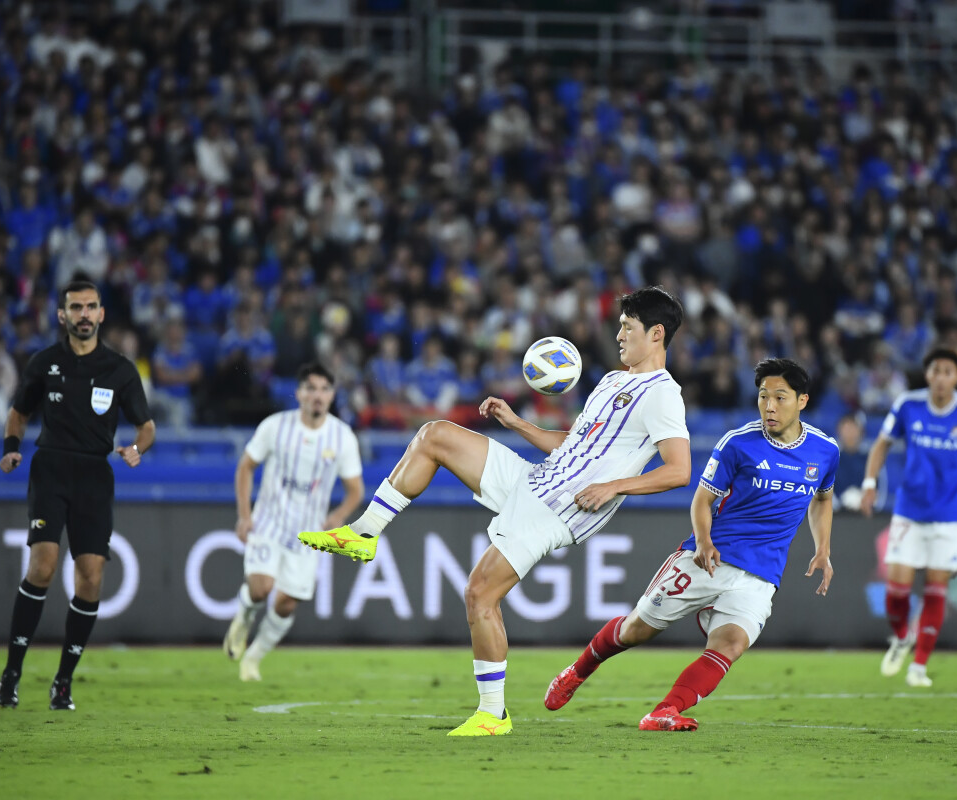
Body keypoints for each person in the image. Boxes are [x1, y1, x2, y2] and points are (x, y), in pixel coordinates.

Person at [299, 286, 691, 736]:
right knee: (435, 436)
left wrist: (612, 487)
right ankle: (365, 533)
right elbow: (576, 445)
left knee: (479, 593)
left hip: (559, 507)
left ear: (656, 334)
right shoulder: (613, 381)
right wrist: (518, 424)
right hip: (537, 478)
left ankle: (492, 715)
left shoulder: (663, 394)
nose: (619, 334)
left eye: (628, 327)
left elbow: (679, 470)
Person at [544, 358, 838, 731]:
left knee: (730, 645)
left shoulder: (825, 451)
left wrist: (823, 549)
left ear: (803, 401)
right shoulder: (738, 444)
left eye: (780, 398)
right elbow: (702, 500)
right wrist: (703, 541)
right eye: (763, 396)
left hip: (762, 572)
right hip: (709, 558)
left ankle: (664, 711)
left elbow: (823, 499)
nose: (769, 406)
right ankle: (577, 670)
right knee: (637, 629)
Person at [0, 279, 156, 711]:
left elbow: (147, 426)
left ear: (102, 314)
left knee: (91, 578)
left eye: (90, 307)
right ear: (62, 315)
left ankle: (62, 682)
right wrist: (12, 449)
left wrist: (136, 450)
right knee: (43, 567)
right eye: (75, 307)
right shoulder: (44, 362)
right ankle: (11, 674)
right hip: (50, 469)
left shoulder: (120, 369)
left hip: (94, 476)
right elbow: (18, 411)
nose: (83, 314)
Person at [860, 347, 957, 687]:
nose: (941, 377)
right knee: (896, 592)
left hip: (950, 517)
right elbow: (881, 443)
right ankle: (901, 637)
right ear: (927, 375)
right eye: (936, 370)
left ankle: (919, 667)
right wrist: (869, 483)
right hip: (909, 511)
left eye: (948, 371)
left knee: (937, 589)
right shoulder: (907, 405)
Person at [222, 362, 364, 681]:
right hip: (269, 522)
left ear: (332, 395)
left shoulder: (342, 437)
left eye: (325, 389)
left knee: (287, 603)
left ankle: (253, 659)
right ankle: (243, 617)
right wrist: (244, 517)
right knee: (261, 588)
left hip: (308, 532)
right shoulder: (275, 427)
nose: (318, 395)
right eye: (311, 388)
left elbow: (355, 490)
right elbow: (246, 467)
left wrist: (338, 516)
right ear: (299, 393)